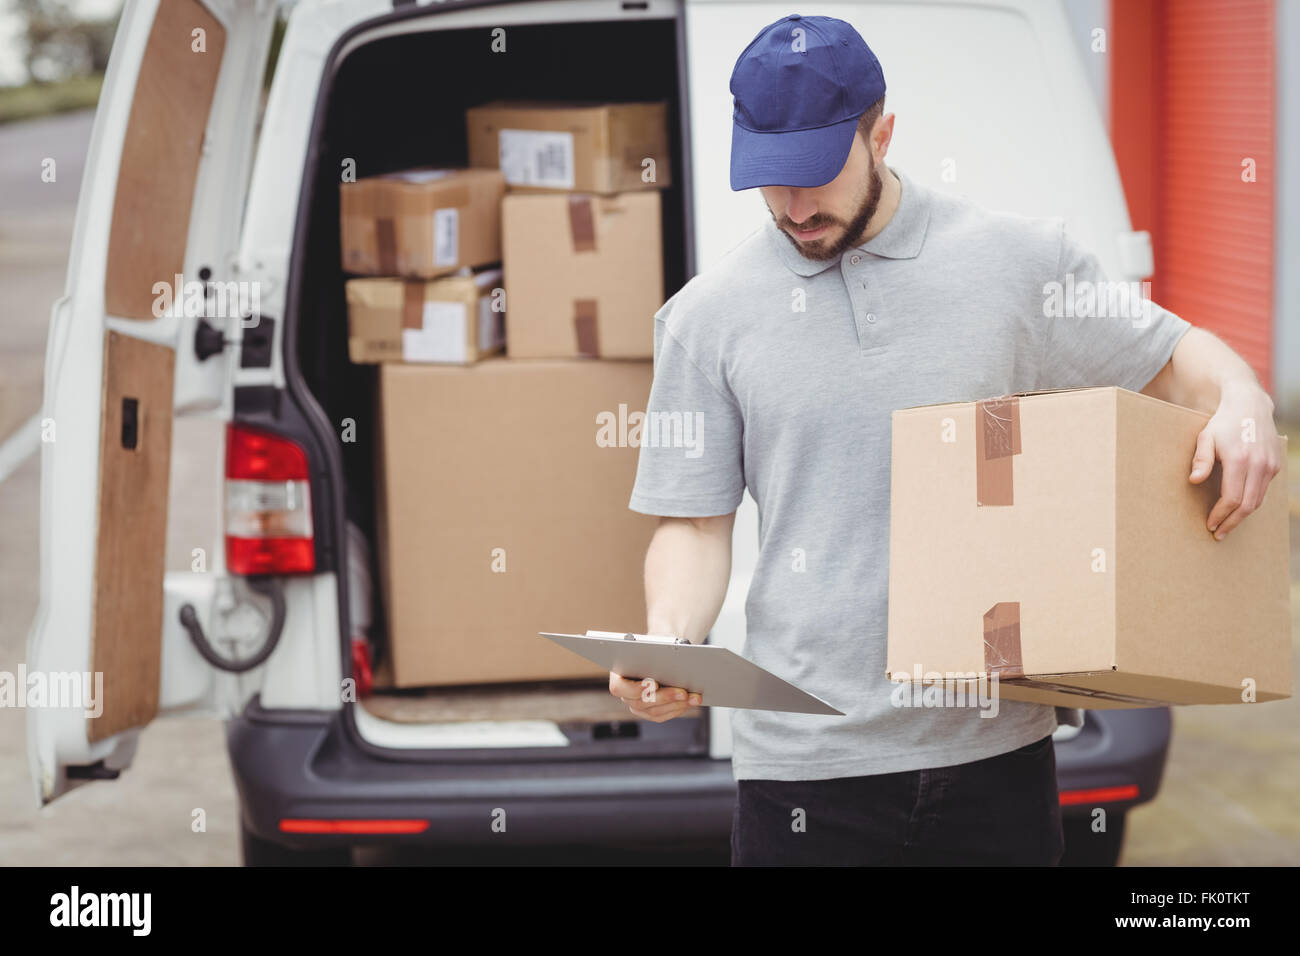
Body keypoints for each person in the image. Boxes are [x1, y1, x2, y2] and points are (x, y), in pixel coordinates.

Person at [610, 14, 1283, 865]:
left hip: (994, 760)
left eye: (817, 173)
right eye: (771, 180)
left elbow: (1179, 360)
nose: (795, 207)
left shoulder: (1017, 264)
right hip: (804, 773)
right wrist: (671, 641)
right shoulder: (706, 317)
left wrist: (1243, 397)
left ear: (882, 134)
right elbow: (693, 522)